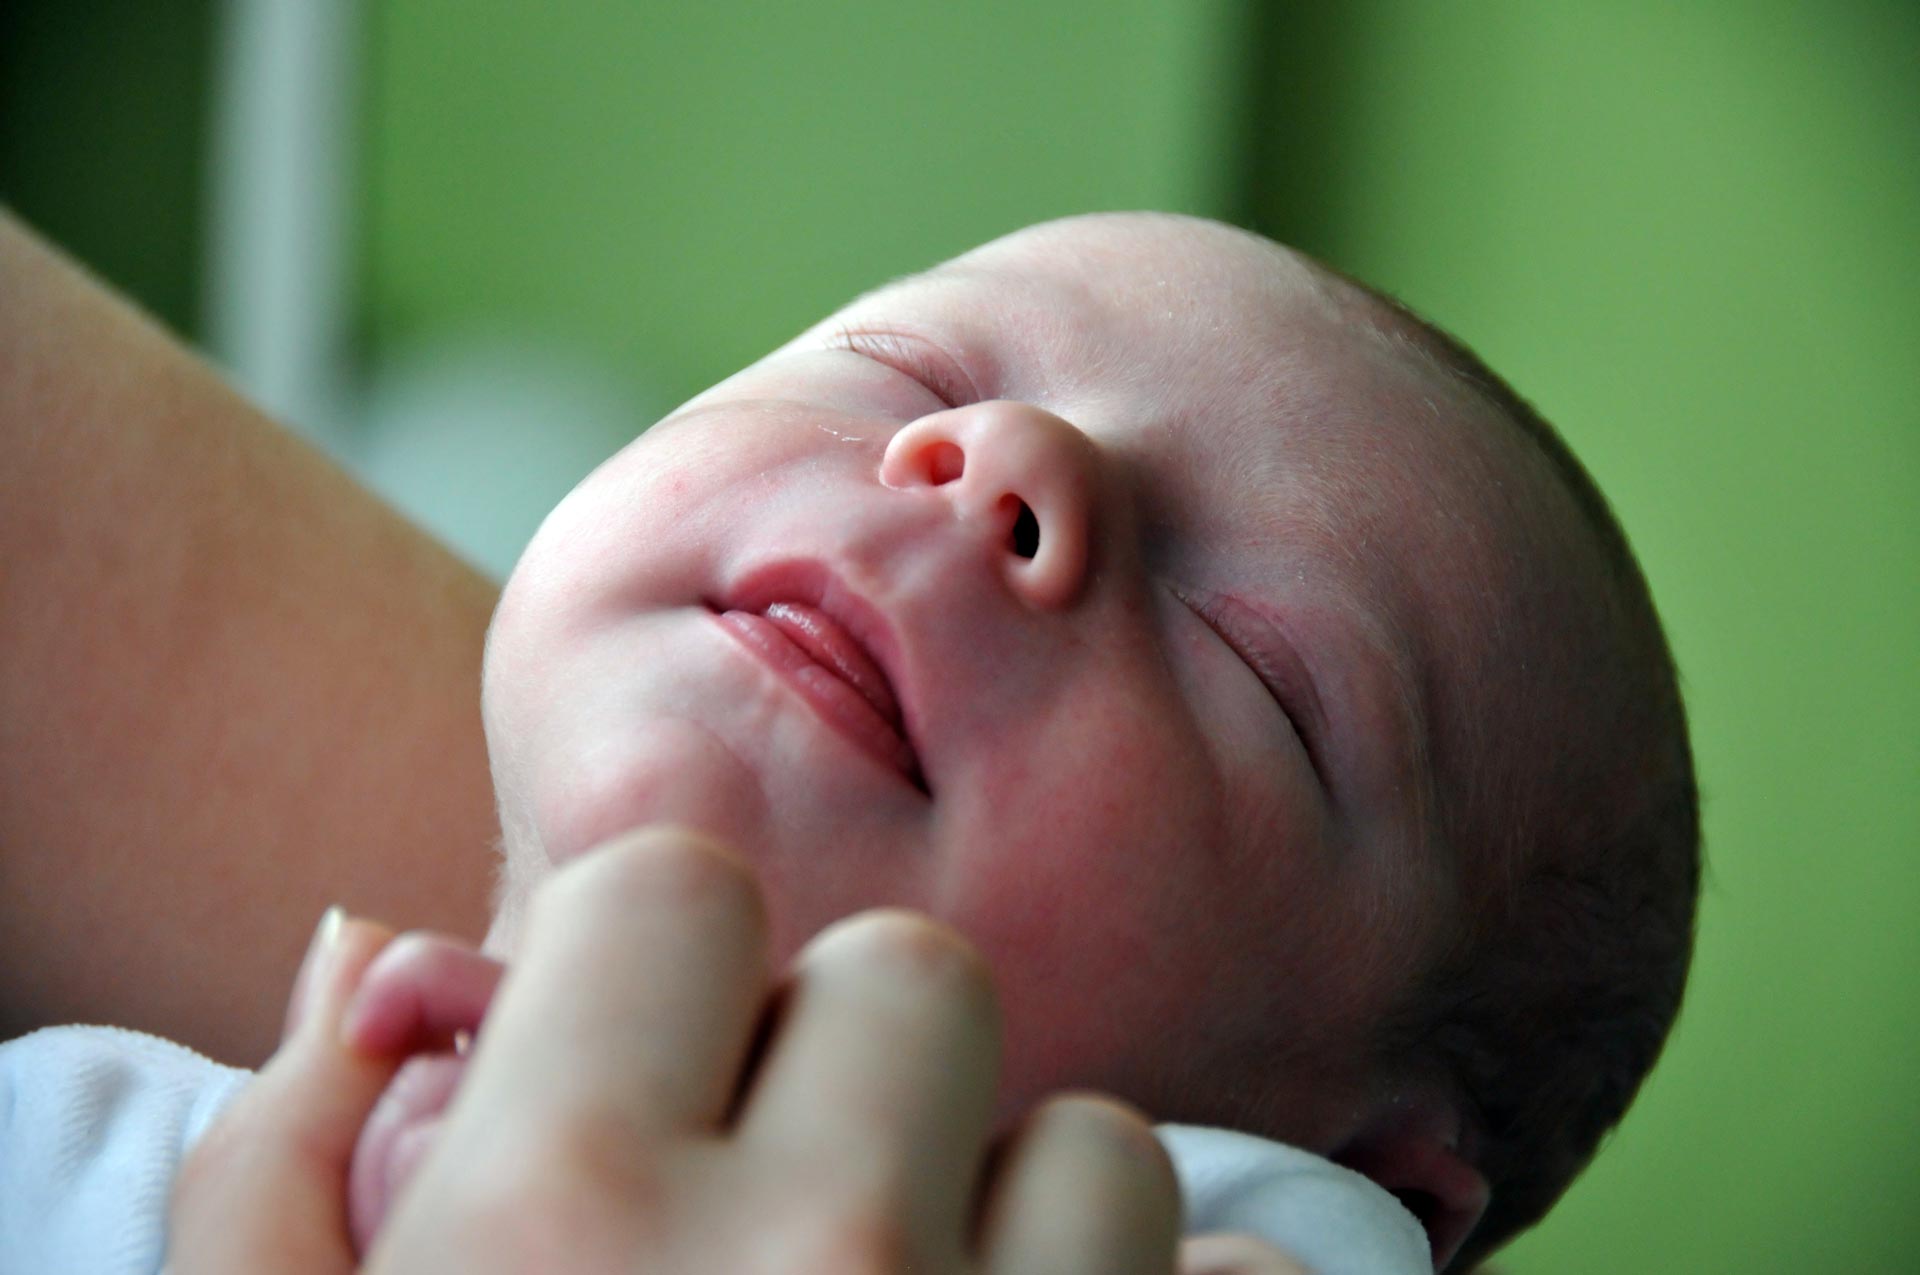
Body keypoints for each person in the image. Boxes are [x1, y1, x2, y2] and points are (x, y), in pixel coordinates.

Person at [0, 209, 1698, 1271]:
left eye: (1262, 664)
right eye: (910, 367)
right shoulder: (74, 1136)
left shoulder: (1232, 1232)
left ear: (1367, 1165)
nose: (1005, 457)